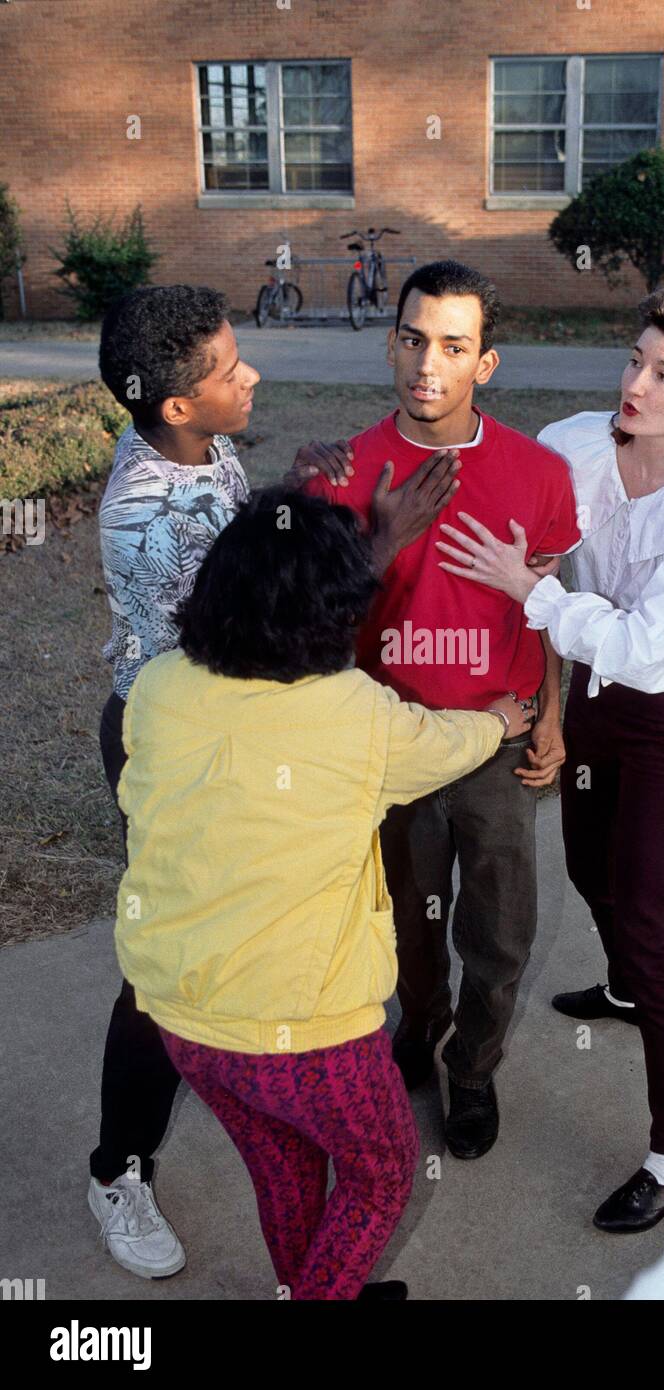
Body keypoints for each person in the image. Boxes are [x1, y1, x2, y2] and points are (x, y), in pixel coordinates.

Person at [92, 283, 460, 1278]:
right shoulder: (143, 515)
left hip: (233, 714)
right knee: (169, 974)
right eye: (225, 369)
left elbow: (253, 573)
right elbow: (253, 645)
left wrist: (285, 499)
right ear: (175, 404)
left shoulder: (195, 451)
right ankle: (118, 1167)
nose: (248, 373)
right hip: (183, 724)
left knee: (238, 933)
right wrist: (373, 544)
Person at [113, 486, 533, 1300]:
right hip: (301, 1029)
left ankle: (313, 1283)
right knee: (380, 1175)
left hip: (178, 1011)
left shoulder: (161, 687)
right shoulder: (354, 715)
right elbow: (442, 746)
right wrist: (502, 719)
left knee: (286, 1167)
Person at [435, 281, 664, 1229]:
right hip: (594, 701)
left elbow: (649, 652)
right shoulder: (582, 439)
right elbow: (529, 512)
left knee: (655, 933)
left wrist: (533, 592)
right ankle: (622, 984)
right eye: (634, 358)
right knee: (590, 867)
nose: (635, 382)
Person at [299, 260, 582, 1160]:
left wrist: (551, 713)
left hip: (495, 742)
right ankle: (418, 1030)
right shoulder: (342, 470)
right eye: (414, 340)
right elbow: (312, 627)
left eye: (453, 347)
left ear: (484, 364)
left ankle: (473, 1069)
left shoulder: (537, 471)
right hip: (391, 743)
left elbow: (552, 603)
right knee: (408, 918)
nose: (428, 364)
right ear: (391, 343)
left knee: (498, 931)